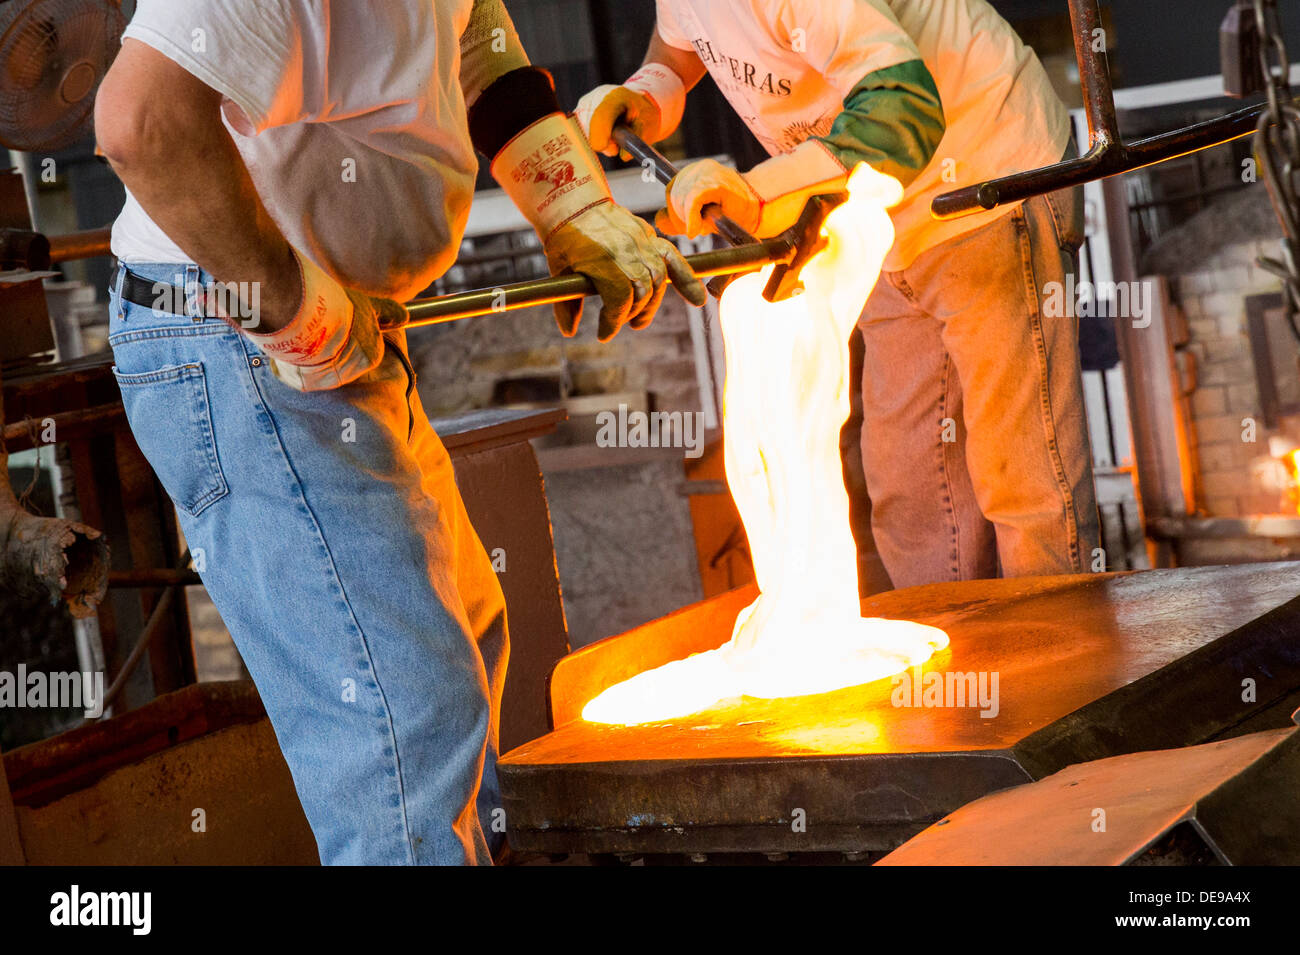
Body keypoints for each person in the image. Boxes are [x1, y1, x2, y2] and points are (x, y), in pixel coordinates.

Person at [94, 0, 705, 865]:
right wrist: (296, 314)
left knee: (464, 649)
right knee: (404, 724)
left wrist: (572, 204)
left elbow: (476, 35)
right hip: (242, 337)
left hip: (340, 333)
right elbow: (143, 122)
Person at [577, 0, 1101, 589]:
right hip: (876, 211)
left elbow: (905, 107)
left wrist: (761, 191)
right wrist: (650, 92)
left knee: (1022, 475)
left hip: (984, 173)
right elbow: (679, 39)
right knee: (915, 490)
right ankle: (953, 671)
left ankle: (1073, 665)